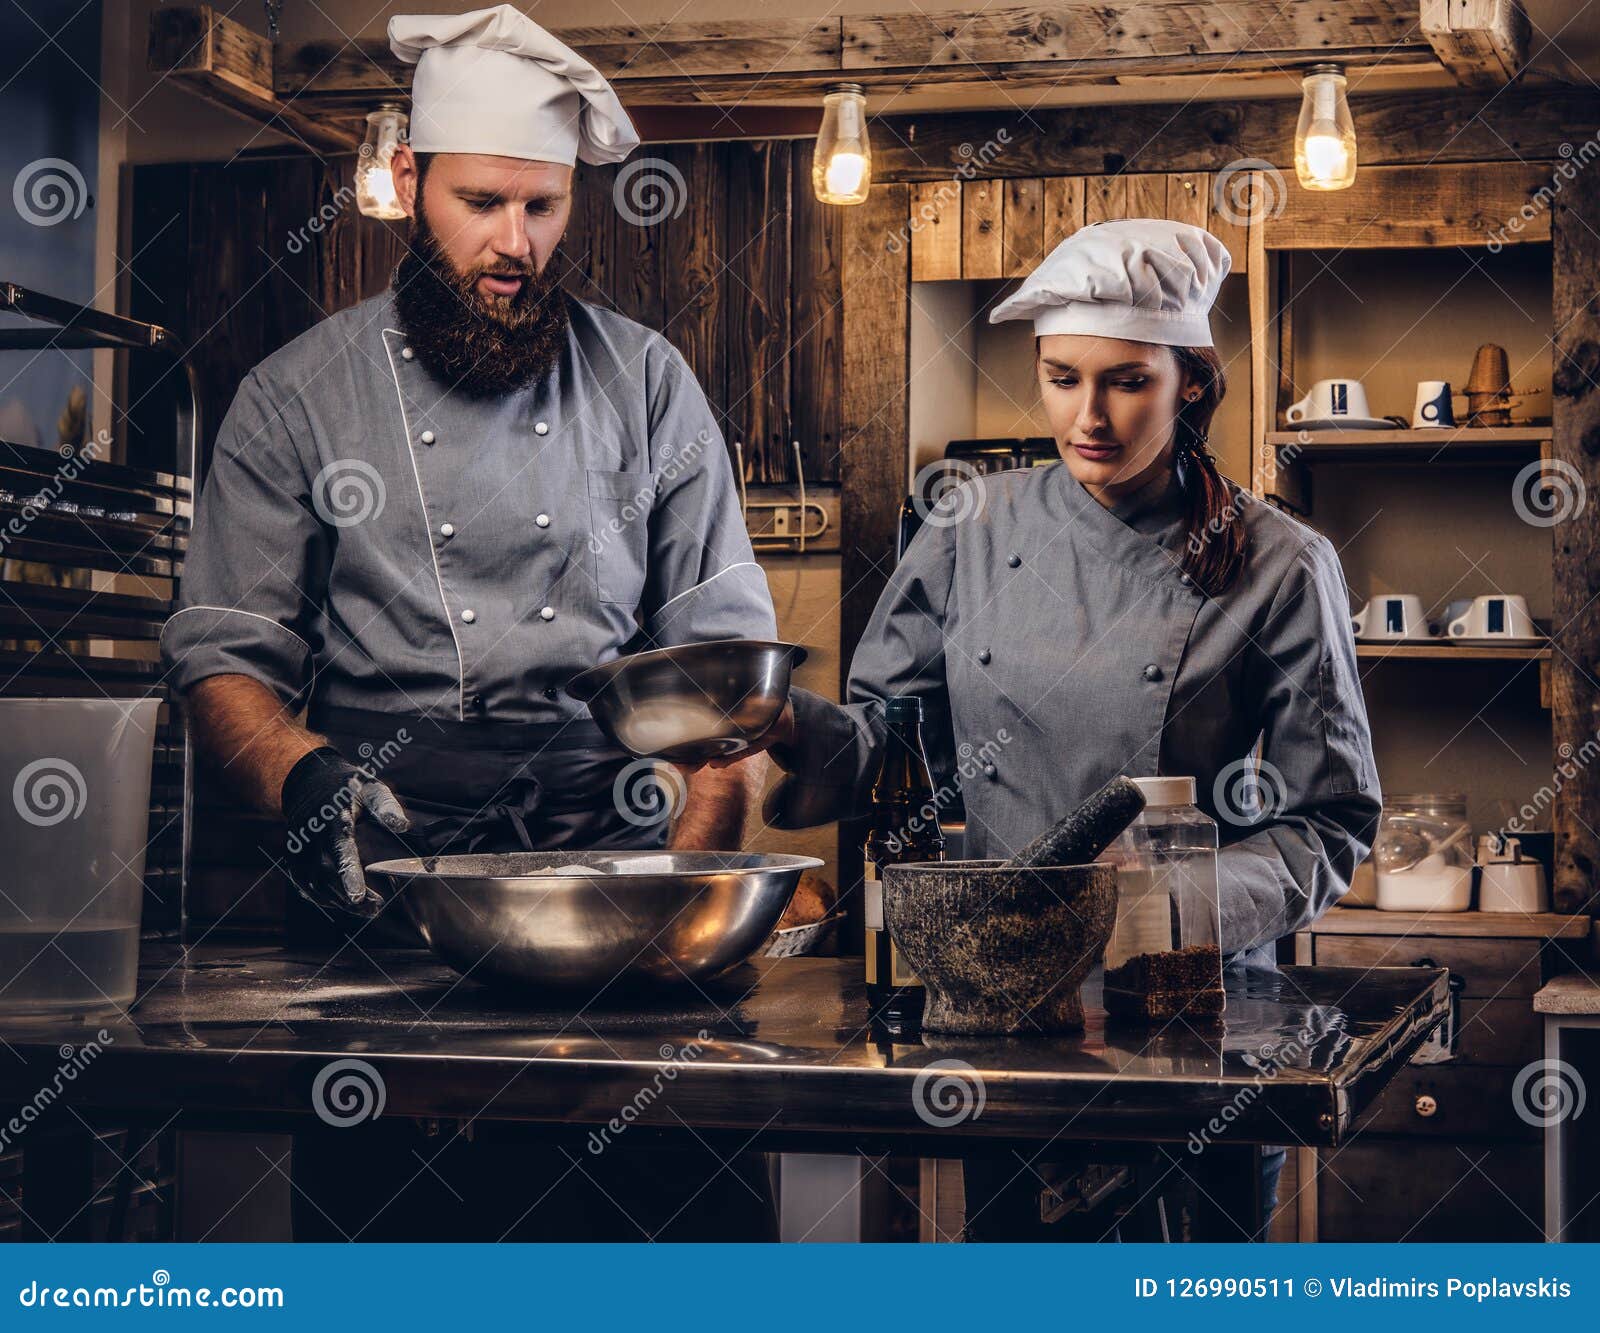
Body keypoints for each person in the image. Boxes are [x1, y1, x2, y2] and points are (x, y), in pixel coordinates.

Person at [160, 5, 776, 1241]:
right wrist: (308, 777)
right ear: (407, 180)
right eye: (482, 203)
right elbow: (224, 653)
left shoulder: (647, 384)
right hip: (379, 904)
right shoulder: (297, 396)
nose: (514, 244)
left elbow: (719, 683)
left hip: (618, 891)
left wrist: (683, 896)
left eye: (542, 208)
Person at [733, 218, 1382, 1241]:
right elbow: (890, 751)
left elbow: (1331, 821)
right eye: (1061, 378)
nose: (1089, 417)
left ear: (1193, 384)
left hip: (1186, 1017)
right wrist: (781, 720)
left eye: (1126, 381)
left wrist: (1160, 902)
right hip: (1005, 1013)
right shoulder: (967, 527)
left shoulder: (1278, 561)